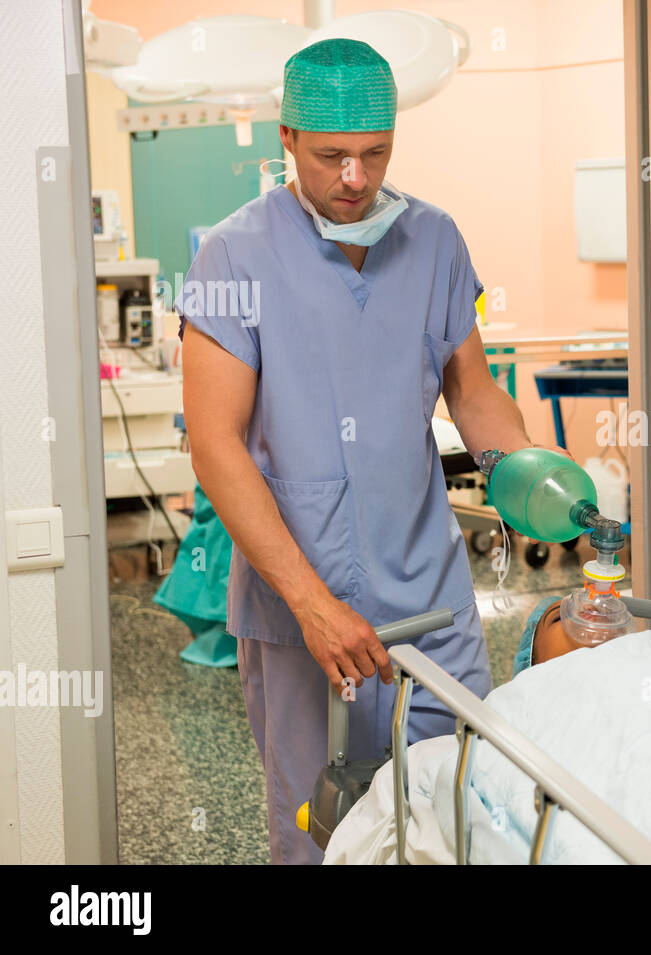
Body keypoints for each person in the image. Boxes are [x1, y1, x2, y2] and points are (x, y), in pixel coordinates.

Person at [180, 38, 566, 864]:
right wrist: (315, 606)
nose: (354, 178)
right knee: (324, 832)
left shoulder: (434, 241)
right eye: (331, 156)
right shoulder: (233, 257)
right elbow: (214, 447)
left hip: (429, 598)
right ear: (286, 139)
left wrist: (527, 474)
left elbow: (473, 391)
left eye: (374, 153)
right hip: (301, 609)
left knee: (463, 808)